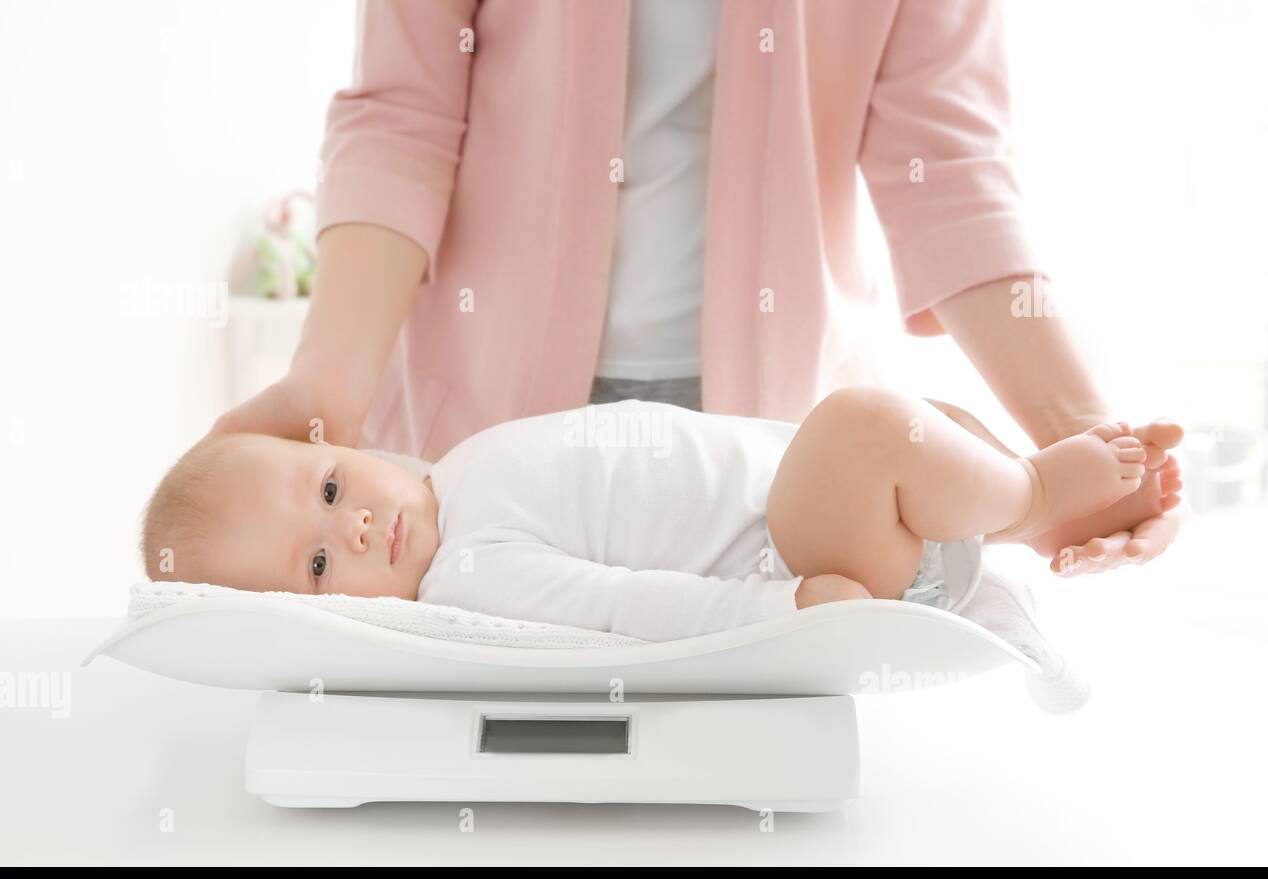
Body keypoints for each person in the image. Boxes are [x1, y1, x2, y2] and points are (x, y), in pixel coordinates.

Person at [211, 0, 1182, 577]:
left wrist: (1087, 444)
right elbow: (405, 112)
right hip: (481, 421)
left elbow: (947, 165)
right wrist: (325, 388)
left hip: (776, 434)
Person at [150, 388, 1179, 641]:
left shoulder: (449, 469)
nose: (357, 531)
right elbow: (624, 607)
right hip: (811, 557)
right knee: (867, 425)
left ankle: (1022, 516)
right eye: (321, 567)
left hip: (826, 507)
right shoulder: (468, 567)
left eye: (330, 494)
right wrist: (779, 615)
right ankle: (1037, 492)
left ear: (340, 443)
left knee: (916, 418)